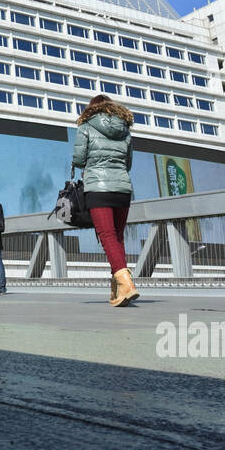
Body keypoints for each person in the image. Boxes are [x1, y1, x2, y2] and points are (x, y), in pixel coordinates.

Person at [73, 94, 140, 307]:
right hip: (122, 188)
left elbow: (79, 159)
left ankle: (126, 283)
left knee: (107, 235)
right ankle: (118, 290)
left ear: (91, 108)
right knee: (117, 237)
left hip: (98, 187)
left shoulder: (85, 127)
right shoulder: (125, 131)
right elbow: (128, 163)